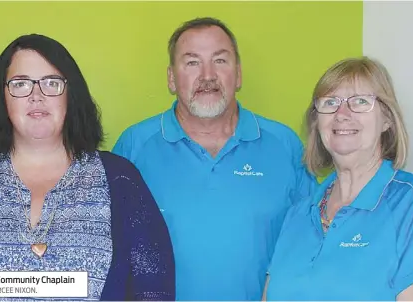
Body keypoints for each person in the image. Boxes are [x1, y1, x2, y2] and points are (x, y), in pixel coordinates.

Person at [0, 33, 175, 300]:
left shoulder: (121, 179)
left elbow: (154, 288)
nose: (36, 96)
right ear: (2, 96)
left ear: (71, 95)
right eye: (20, 84)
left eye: (52, 83)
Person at [111, 17, 317, 300]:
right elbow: (110, 252)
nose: (207, 76)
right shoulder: (133, 147)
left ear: (239, 74)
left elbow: (311, 245)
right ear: (171, 78)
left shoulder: (285, 146)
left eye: (220, 61)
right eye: (192, 62)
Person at [264, 57, 413, 300]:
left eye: (360, 102)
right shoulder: (298, 214)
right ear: (317, 121)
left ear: (387, 119)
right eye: (330, 102)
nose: (342, 114)